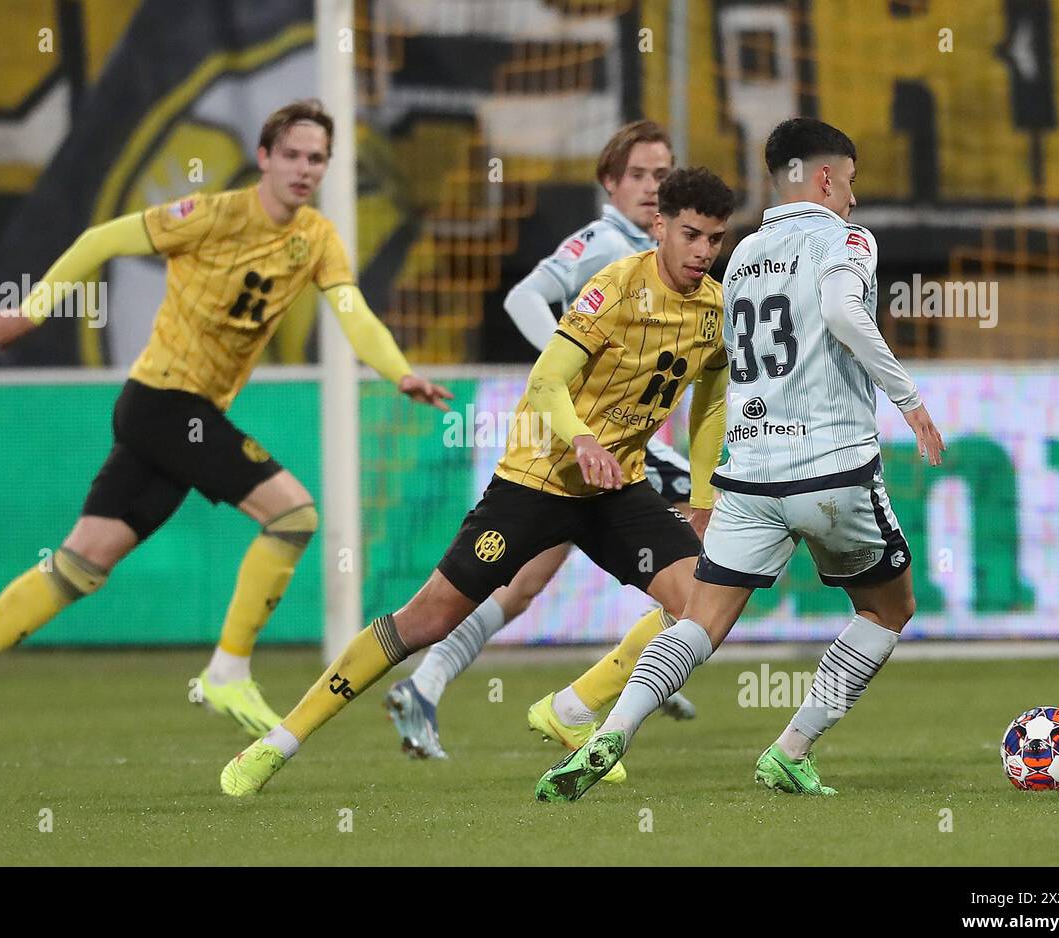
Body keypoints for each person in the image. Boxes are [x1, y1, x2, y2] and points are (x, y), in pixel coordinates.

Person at [0, 100, 451, 752]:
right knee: (294, 515)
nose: (305, 169)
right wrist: (33, 310)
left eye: (318, 158)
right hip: (164, 404)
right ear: (265, 157)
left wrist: (398, 371)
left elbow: (354, 313)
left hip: (179, 416)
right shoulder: (211, 216)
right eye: (294, 155)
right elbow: (100, 240)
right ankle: (229, 668)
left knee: (78, 566)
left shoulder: (318, 239)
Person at [220, 166, 734, 797]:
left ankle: (570, 710)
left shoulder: (714, 308)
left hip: (615, 488)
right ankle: (277, 743)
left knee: (704, 606)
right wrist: (582, 438)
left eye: (715, 239)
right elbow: (545, 381)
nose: (704, 253)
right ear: (659, 226)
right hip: (538, 480)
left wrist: (704, 499)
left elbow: (711, 401)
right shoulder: (614, 289)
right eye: (692, 236)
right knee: (426, 621)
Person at [535, 118, 946, 803]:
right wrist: (908, 398)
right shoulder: (846, 238)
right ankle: (791, 749)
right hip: (832, 468)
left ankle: (614, 730)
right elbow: (844, 313)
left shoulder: (746, 254)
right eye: (849, 180)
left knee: (699, 618)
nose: (853, 196)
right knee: (887, 609)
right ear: (823, 178)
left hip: (750, 474)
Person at [384, 121, 699, 767]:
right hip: (582, 438)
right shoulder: (608, 243)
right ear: (610, 183)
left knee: (523, 585)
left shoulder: (658, 252)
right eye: (638, 174)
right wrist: (567, 360)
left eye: (662, 175)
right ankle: (645, 667)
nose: (651, 186)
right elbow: (525, 296)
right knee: (708, 548)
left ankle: (427, 684)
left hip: (605, 440)